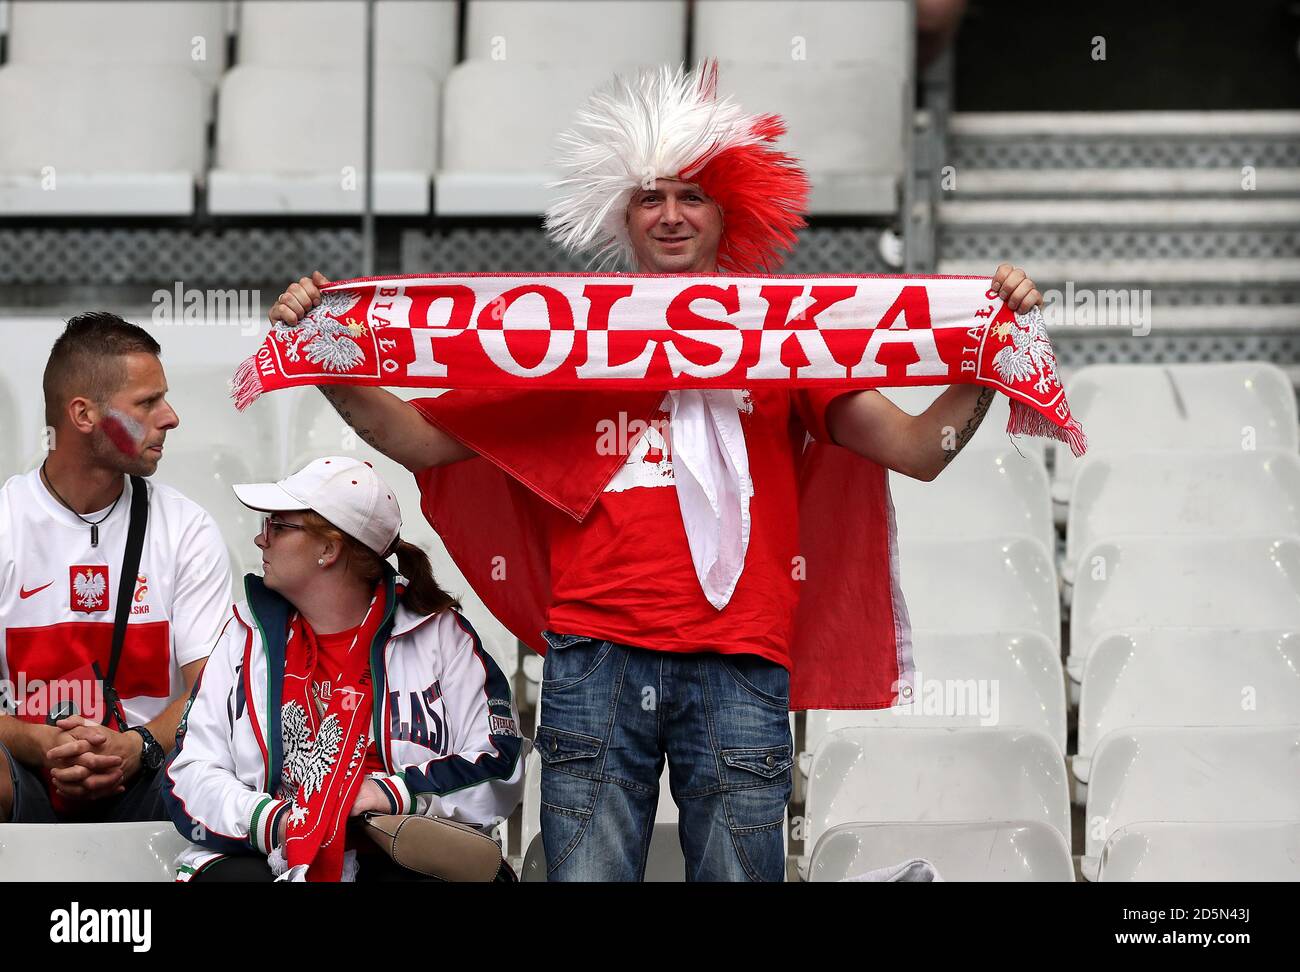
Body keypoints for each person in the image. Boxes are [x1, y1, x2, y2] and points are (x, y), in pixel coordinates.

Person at [268, 62, 1042, 881]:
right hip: (594, 657)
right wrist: (326, 357)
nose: (671, 216)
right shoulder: (569, 334)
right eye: (650, 197)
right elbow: (422, 440)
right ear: (624, 216)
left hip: (741, 660)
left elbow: (921, 450)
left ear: (725, 212)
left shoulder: (783, 336)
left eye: (693, 195)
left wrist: (989, 357)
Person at [162, 456, 524, 881]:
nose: (261, 540)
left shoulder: (440, 634)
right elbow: (189, 772)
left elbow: (499, 760)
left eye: (278, 525)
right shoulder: (245, 633)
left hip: (399, 853)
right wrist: (277, 821)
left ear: (329, 550)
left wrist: (387, 794)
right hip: (274, 855)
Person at [0, 313, 232, 824]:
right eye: (147, 402)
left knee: (235, 756)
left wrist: (138, 745)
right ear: (83, 415)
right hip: (26, 778)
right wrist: (38, 743)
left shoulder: (185, 527)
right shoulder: (7, 524)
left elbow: (214, 692)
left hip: (151, 775)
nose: (170, 417)